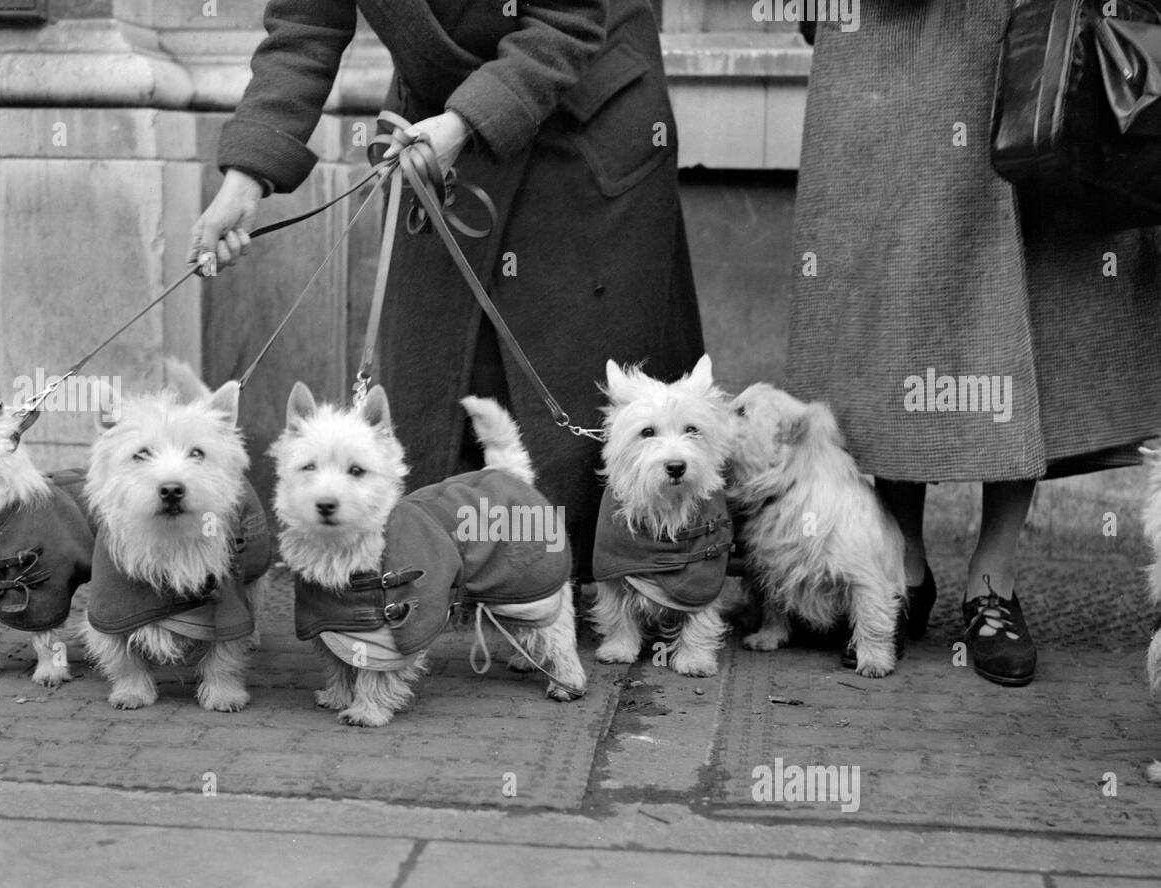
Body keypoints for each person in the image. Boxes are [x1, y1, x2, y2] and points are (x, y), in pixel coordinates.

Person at [189, 0, 704, 581]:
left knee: (572, 369)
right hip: (432, 123)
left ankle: (585, 578)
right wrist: (248, 174)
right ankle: (446, 567)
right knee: (442, 364)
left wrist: (467, 121)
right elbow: (306, 27)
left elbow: (568, 21)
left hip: (586, 107)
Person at [789, 5, 1161, 686]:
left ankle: (994, 575)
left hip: (1031, 39)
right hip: (890, 44)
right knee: (901, 297)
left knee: (1031, 303)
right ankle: (901, 565)